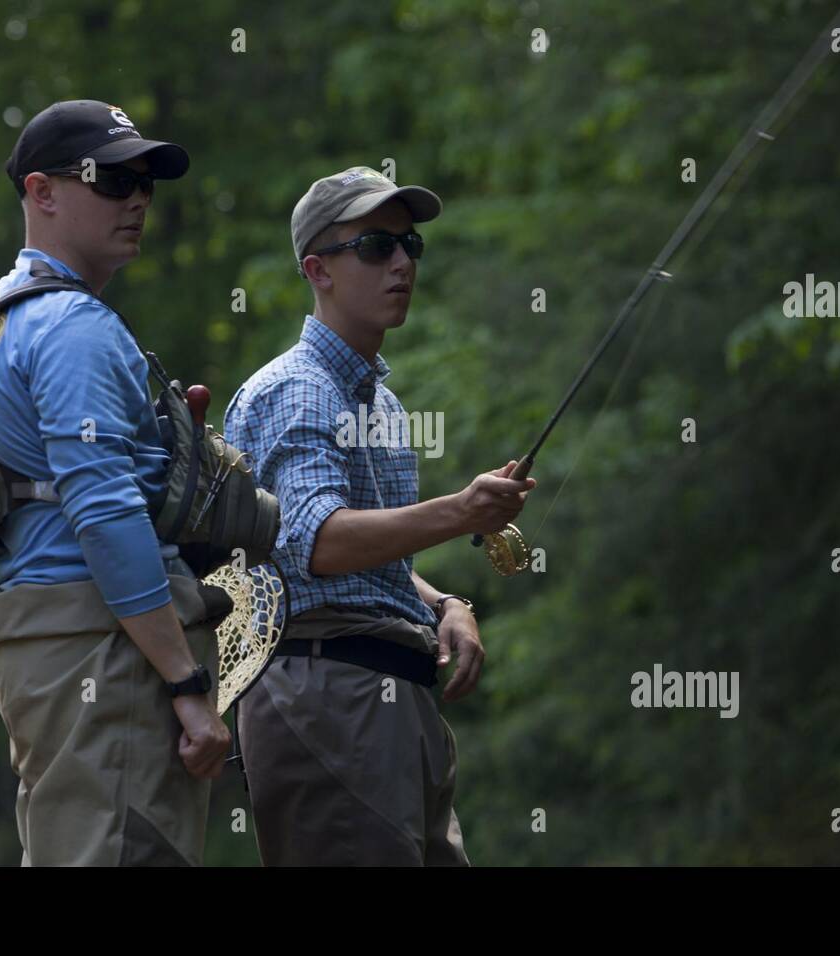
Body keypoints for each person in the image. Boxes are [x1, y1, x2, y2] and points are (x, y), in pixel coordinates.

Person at [224, 166, 536, 865]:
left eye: (408, 246)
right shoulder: (297, 391)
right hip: (327, 691)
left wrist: (444, 604)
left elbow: (365, 559)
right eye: (374, 247)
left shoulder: (383, 408)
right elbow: (321, 543)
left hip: (386, 696)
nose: (401, 262)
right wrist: (461, 511)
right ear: (317, 270)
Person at [0, 100, 231, 866]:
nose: (138, 197)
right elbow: (104, 512)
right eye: (112, 179)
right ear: (42, 192)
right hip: (104, 654)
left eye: (145, 180)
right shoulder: (73, 327)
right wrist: (184, 679)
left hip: (42, 644)